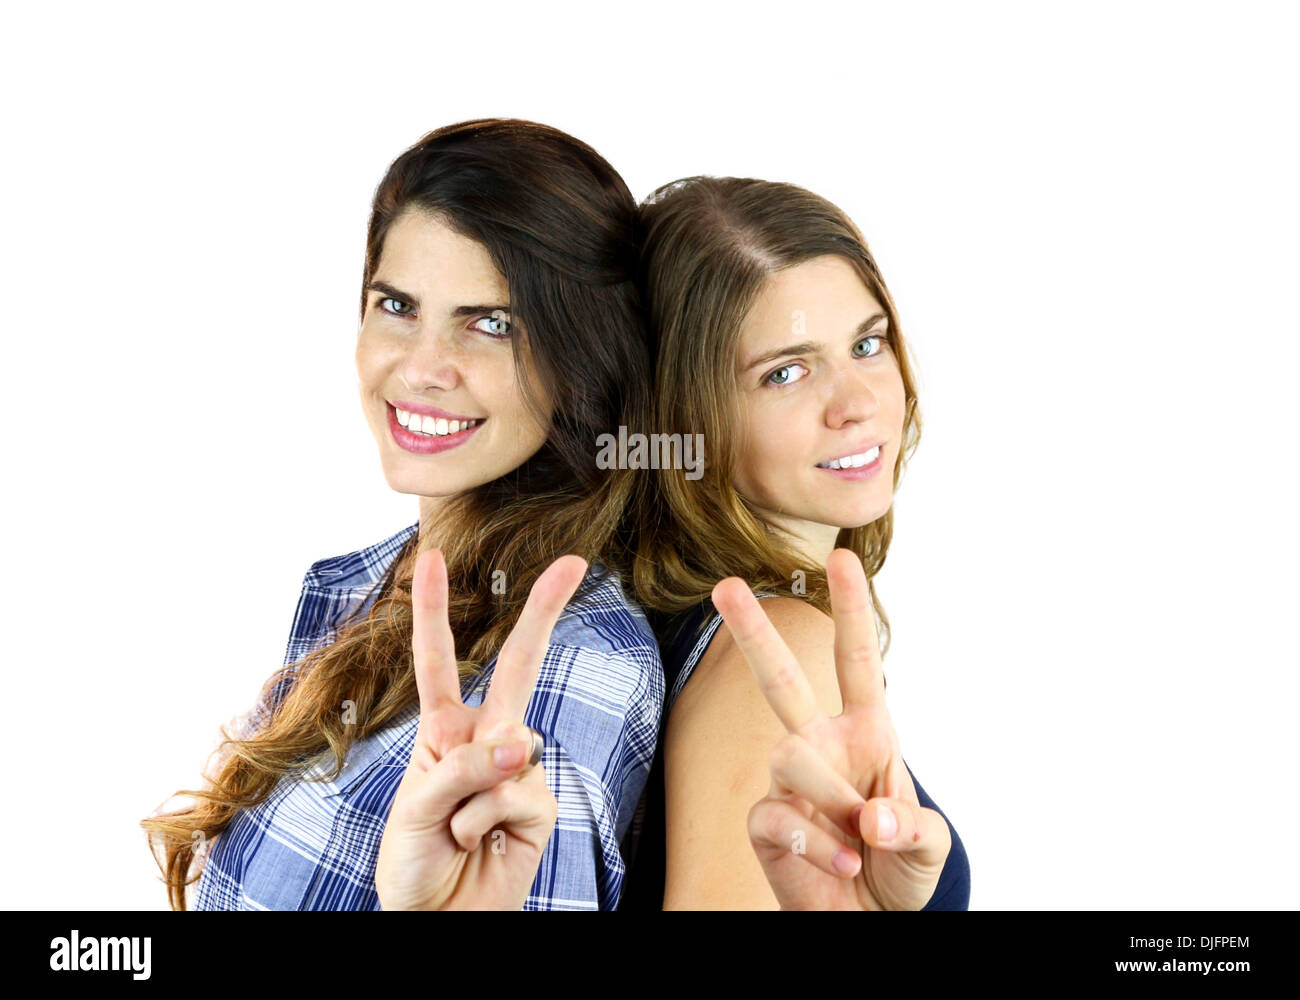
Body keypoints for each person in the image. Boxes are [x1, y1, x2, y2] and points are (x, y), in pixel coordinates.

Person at [140, 119, 663, 911]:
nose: (422, 367)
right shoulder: (365, 582)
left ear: (582, 359)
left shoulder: (569, 662)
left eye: (492, 323)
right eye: (397, 305)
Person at [621, 176, 971, 909]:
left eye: (868, 343)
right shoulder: (776, 649)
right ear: (690, 417)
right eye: (785, 372)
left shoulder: (709, 622)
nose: (857, 403)